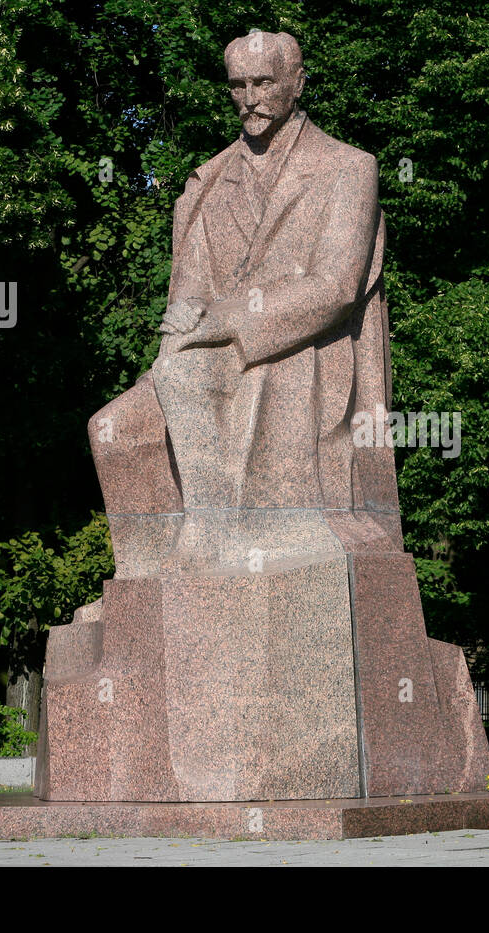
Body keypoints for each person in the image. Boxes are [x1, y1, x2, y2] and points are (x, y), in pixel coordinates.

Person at [89, 31, 400, 575]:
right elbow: (184, 300)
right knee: (114, 426)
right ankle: (143, 584)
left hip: (304, 350)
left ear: (297, 83)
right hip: (208, 355)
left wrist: (228, 324)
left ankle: (208, 535)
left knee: (192, 377)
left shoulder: (348, 169)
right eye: (238, 85)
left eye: (263, 82)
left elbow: (335, 289)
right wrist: (164, 360)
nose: (250, 98)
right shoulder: (208, 181)